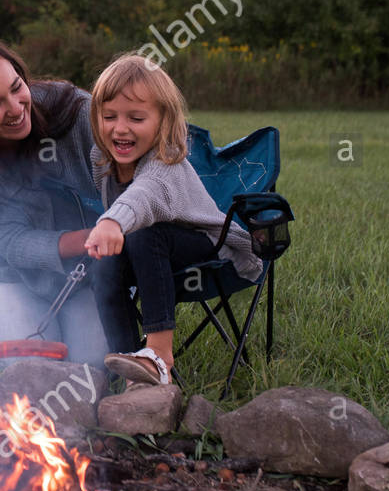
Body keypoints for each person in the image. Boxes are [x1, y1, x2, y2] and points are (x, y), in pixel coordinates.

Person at [0, 35, 138, 371]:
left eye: (16, 86)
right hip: (4, 272)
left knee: (90, 367)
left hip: (87, 276)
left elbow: (145, 177)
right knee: (33, 367)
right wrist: (85, 237)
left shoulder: (78, 114)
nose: (15, 108)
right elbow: (9, 240)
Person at [83, 53, 262, 385]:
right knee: (105, 264)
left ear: (163, 121)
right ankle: (126, 362)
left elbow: (144, 196)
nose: (120, 129)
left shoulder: (165, 165)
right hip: (152, 256)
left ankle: (159, 354)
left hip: (210, 246)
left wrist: (112, 222)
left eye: (136, 118)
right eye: (109, 116)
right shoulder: (101, 158)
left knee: (145, 235)